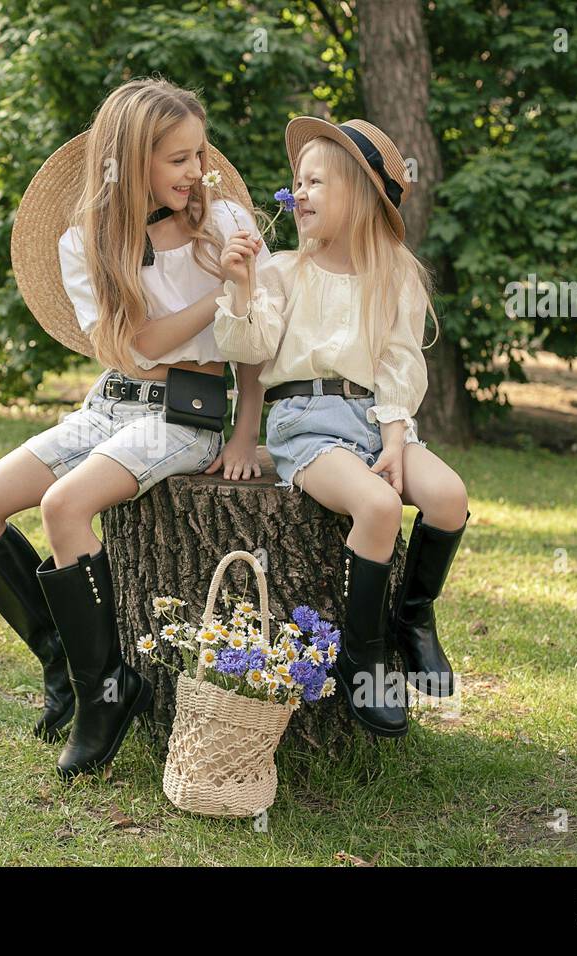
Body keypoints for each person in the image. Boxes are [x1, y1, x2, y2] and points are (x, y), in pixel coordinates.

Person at [0, 78, 270, 779]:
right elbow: (126, 350)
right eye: (179, 159)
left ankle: (106, 694)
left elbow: (254, 344)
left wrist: (246, 431)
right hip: (110, 403)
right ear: (132, 162)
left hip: (189, 411)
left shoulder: (227, 227)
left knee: (65, 504)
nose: (197, 173)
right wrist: (209, 305)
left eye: (198, 155)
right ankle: (67, 662)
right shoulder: (85, 241)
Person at [213, 117, 470, 738]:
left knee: (449, 498)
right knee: (379, 507)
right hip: (307, 422)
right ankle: (364, 658)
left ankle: (413, 619)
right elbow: (247, 347)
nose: (297, 193)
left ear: (357, 192)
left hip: (378, 418)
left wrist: (394, 443)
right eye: (296, 181)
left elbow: (400, 363)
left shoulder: (395, 271)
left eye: (315, 182)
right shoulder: (280, 271)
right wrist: (242, 285)